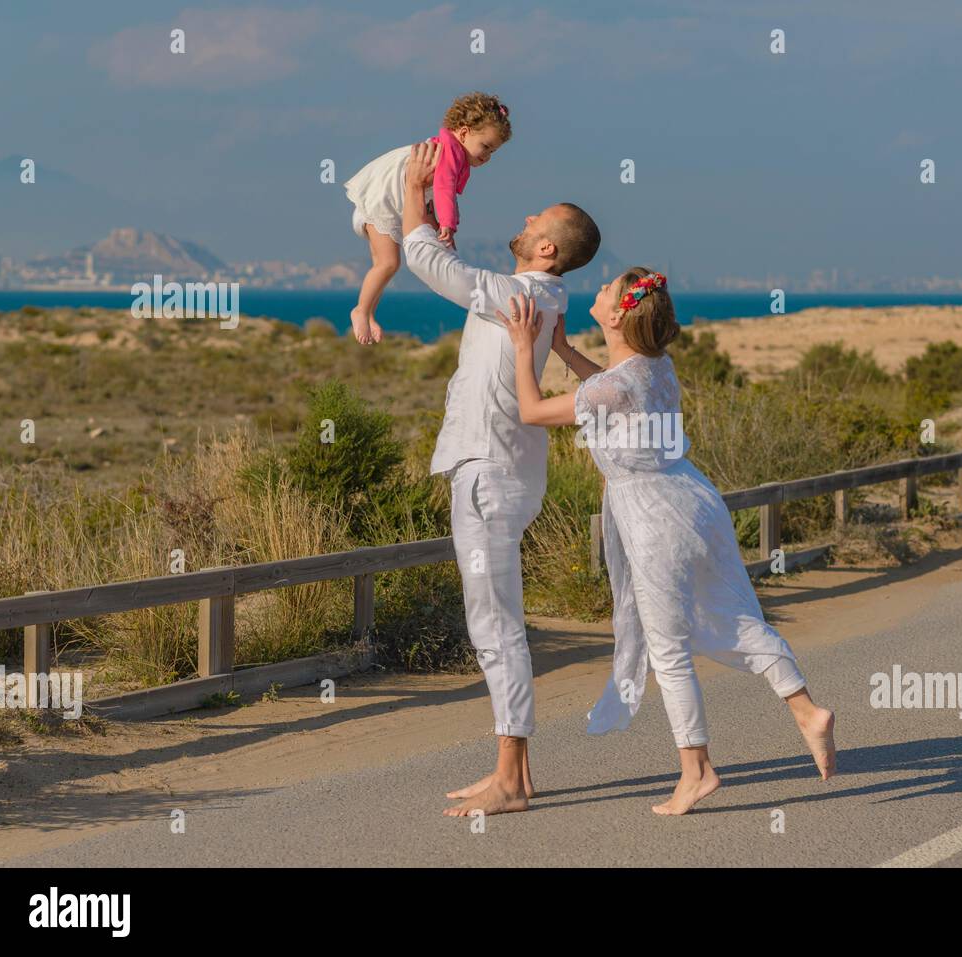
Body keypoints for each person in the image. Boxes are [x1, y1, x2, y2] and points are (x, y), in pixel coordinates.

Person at [498, 270, 837, 815]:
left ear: (616, 316)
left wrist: (522, 346)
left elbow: (533, 411)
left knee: (668, 646)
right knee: (735, 614)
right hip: (693, 499)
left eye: (607, 288)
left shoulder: (616, 382)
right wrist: (563, 348)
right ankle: (805, 709)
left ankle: (696, 770)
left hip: (654, 517)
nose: (600, 290)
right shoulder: (653, 367)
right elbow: (606, 390)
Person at [398, 139, 602, 816]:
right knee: (498, 618)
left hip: (489, 474)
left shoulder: (514, 294)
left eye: (535, 220)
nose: (523, 219)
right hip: (505, 471)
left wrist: (411, 189)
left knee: (495, 623)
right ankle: (514, 769)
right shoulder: (543, 293)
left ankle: (510, 777)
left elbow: (427, 260)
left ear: (546, 250)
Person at [344, 92, 511, 345]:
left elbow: (432, 198)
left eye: (493, 152)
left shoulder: (452, 153)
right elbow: (443, 189)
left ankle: (369, 312)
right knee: (387, 264)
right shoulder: (448, 154)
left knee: (387, 265)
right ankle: (361, 311)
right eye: (485, 147)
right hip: (383, 200)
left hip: (390, 200)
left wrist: (443, 229)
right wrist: (448, 224)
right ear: (464, 133)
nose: (487, 156)